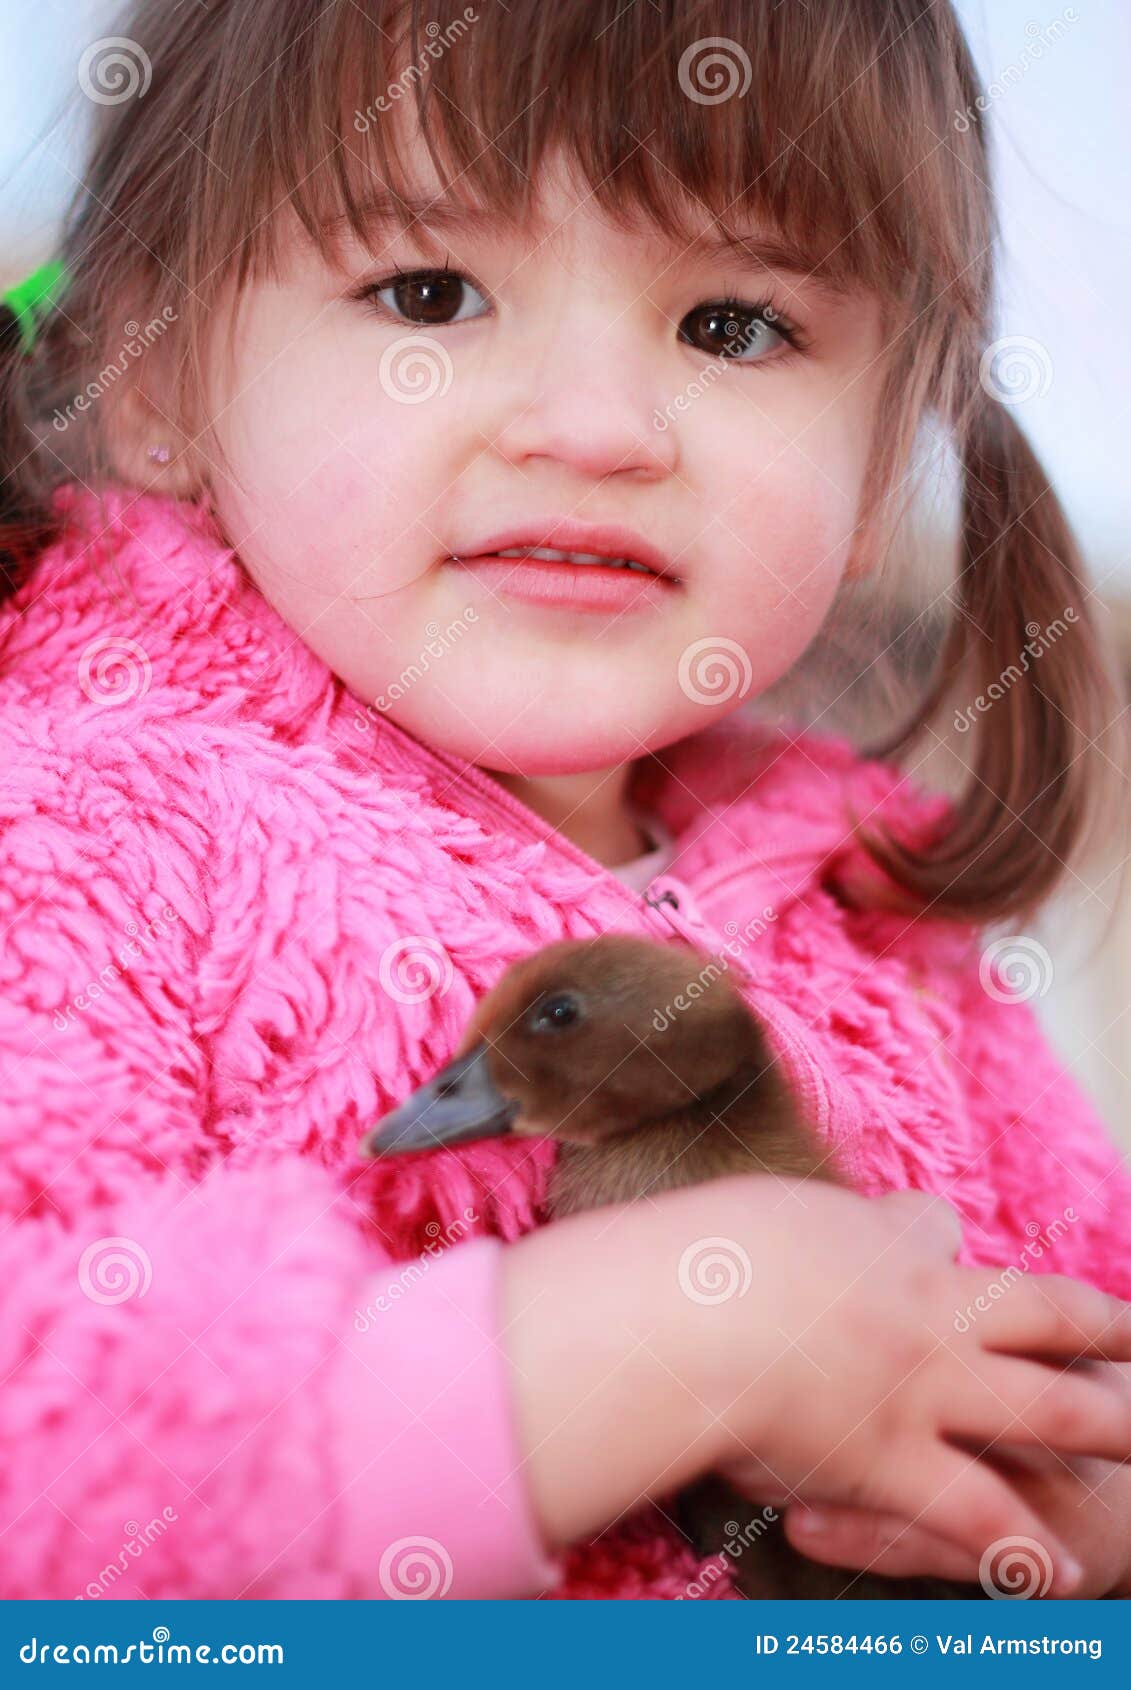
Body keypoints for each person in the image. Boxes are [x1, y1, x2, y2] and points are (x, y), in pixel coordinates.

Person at [2, 0, 1130, 1602]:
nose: (596, 430)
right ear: (158, 374)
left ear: (885, 468)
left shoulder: (904, 947)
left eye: (733, 325)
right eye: (430, 292)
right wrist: (655, 1345)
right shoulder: (77, 833)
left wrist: (1080, 1502)